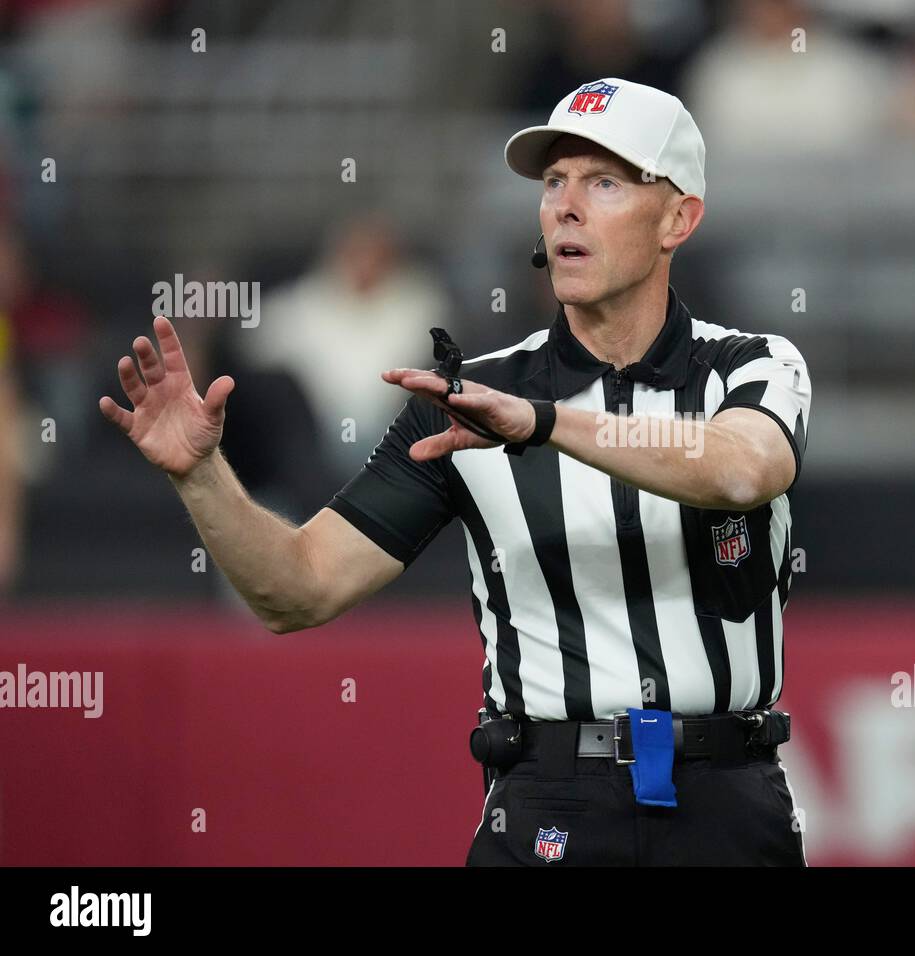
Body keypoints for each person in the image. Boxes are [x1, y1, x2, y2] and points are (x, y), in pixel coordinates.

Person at [98, 78, 811, 866]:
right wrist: (201, 474)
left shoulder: (751, 363)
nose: (565, 206)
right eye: (553, 183)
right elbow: (296, 589)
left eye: (604, 182)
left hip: (726, 798)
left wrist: (545, 421)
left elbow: (745, 469)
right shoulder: (467, 401)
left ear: (679, 217)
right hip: (550, 796)